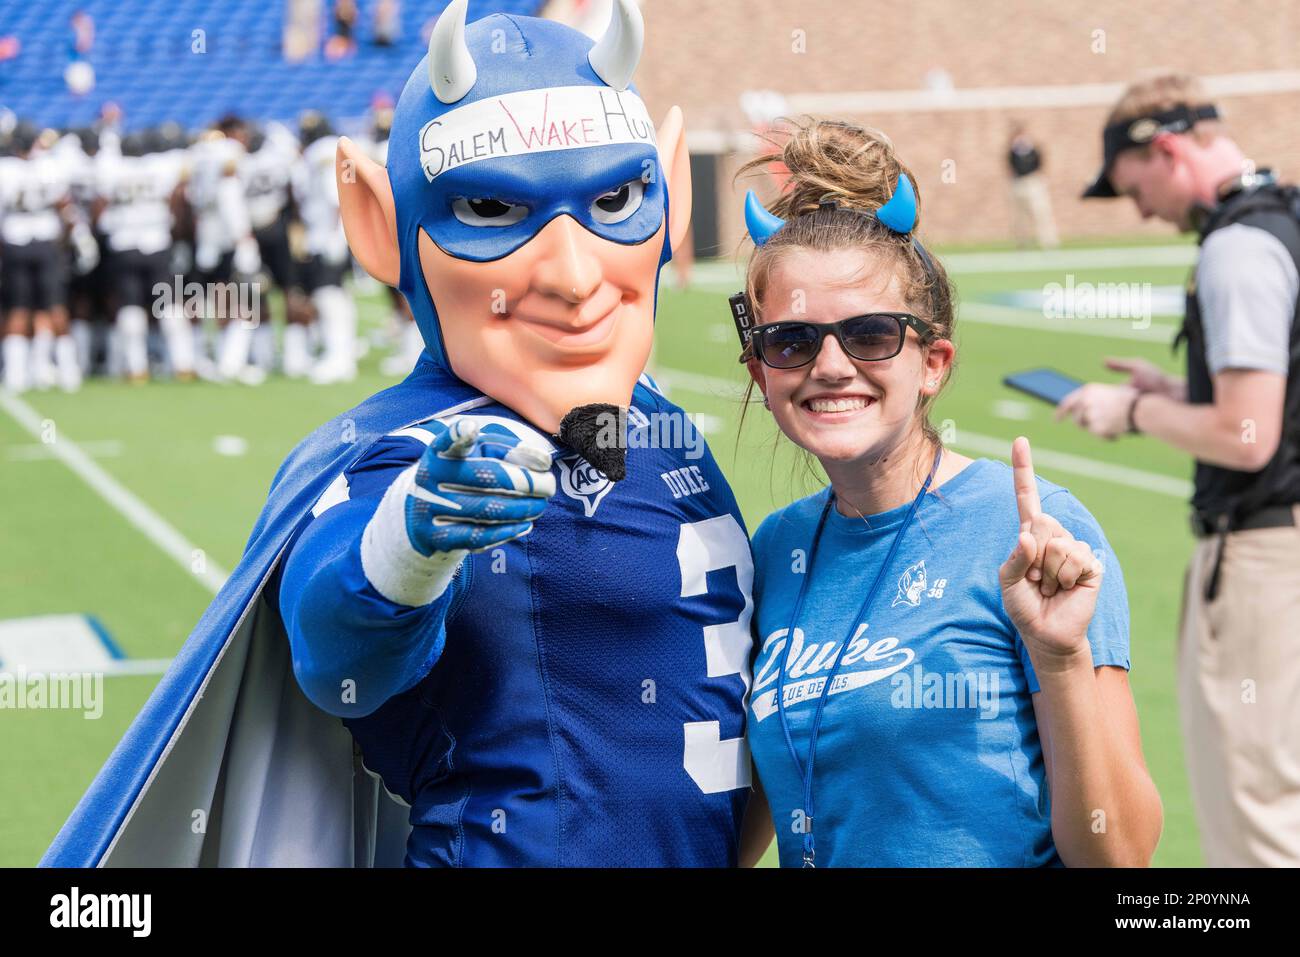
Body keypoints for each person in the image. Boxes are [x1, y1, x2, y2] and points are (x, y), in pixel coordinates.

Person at [43, 0, 755, 868]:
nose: (574, 274)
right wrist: (409, 542)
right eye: (492, 209)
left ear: (670, 193)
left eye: (614, 199)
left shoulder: (652, 416)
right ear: (382, 226)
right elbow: (335, 645)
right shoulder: (415, 450)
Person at [731, 119, 1162, 867]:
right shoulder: (776, 548)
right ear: (760, 370)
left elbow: (1118, 856)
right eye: (793, 341)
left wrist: (1059, 657)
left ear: (932, 362)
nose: (831, 365)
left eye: (870, 335)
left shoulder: (1034, 530)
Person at [1061, 71, 1300, 867]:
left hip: (1266, 555)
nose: (1142, 212)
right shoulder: (1286, 220)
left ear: (1165, 149)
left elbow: (1246, 435)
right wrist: (1178, 392)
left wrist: (1131, 412)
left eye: (1138, 189)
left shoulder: (1237, 245)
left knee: (1254, 807)